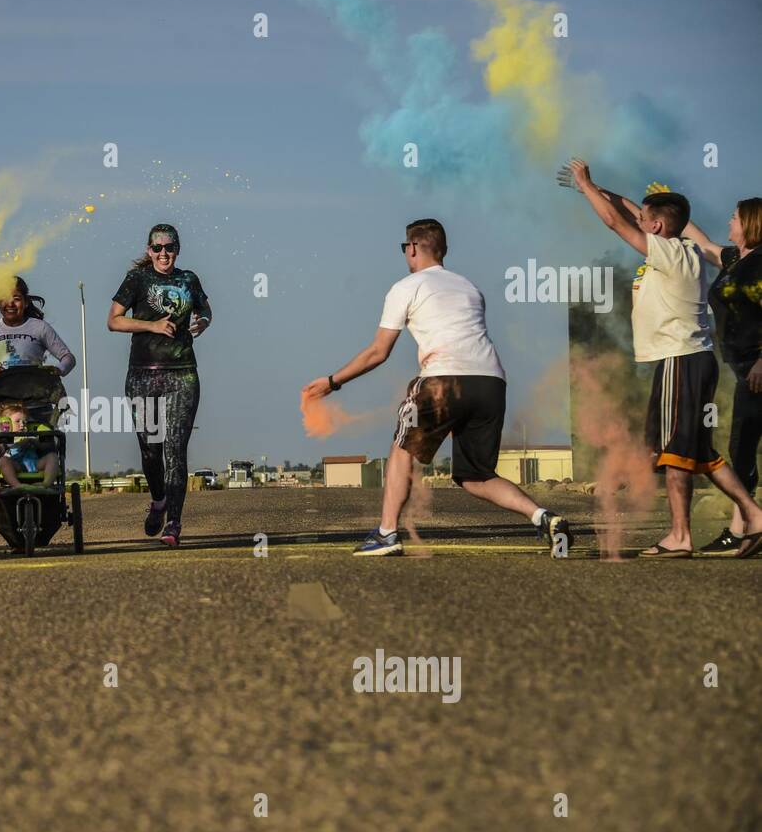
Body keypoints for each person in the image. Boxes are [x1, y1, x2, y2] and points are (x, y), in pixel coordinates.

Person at [303, 219, 572, 557]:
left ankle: (387, 534)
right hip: (491, 383)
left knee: (403, 449)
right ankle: (542, 515)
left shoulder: (407, 287)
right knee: (475, 476)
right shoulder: (470, 288)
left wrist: (332, 382)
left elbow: (378, 352)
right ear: (442, 250)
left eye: (405, 248)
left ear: (412, 248)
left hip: (443, 380)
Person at [568, 160, 762, 558]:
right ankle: (753, 514)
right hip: (685, 359)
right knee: (698, 452)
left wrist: (587, 185)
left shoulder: (670, 253)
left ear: (656, 227)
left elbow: (615, 222)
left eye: (644, 217)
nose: (637, 220)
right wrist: (602, 190)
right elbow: (635, 215)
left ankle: (680, 535)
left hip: (681, 358)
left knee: (676, 453)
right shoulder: (687, 247)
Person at [107, 223, 212, 547]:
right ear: (149, 250)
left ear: (177, 249)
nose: (163, 253)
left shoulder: (188, 279)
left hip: (182, 374)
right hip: (143, 374)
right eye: (157, 248)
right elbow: (114, 320)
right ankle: (158, 500)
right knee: (151, 451)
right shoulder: (137, 280)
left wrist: (203, 320)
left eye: (169, 247)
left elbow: (204, 308)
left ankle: (174, 524)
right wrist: (150, 325)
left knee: (175, 450)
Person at [682, 198, 762, 554]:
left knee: (742, 445)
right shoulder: (735, 260)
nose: (729, 221)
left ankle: (742, 528)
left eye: (734, 217)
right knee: (742, 446)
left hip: (758, 367)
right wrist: (674, 207)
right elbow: (700, 242)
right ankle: (743, 527)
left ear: (750, 223)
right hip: (744, 368)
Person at [0, 276, 75, 381]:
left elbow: (68, 357)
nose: (10, 304)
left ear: (26, 302)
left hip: (34, 396)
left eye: (16, 299)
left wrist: (59, 370)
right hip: (0, 396)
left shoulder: (40, 327)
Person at [0, 401, 59, 488]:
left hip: (35, 463)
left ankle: (46, 483)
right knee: (3, 461)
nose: (22, 425)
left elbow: (44, 447)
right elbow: (3, 452)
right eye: (17, 421)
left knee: (53, 456)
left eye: (24, 422)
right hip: (16, 465)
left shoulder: (31, 434)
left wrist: (36, 443)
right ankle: (17, 485)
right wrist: (18, 444)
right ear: (7, 424)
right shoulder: (6, 438)